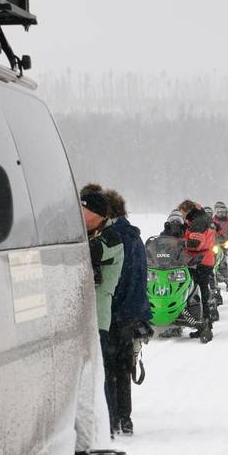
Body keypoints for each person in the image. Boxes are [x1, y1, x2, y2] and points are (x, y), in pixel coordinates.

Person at [97, 186, 151, 436]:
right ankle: (125, 418)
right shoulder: (135, 236)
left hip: (116, 310)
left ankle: (113, 419)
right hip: (132, 311)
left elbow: (120, 278)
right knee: (123, 365)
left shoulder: (114, 237)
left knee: (110, 368)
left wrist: (114, 306)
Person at [79, 190, 124, 418]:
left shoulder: (111, 238)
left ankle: (107, 423)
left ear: (97, 215)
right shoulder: (85, 234)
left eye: (84, 211)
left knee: (99, 376)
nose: (80, 215)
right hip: (75, 321)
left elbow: (90, 252)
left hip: (98, 320)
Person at [181, 201, 218, 341]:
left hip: (200, 261)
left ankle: (204, 324)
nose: (183, 216)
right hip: (203, 259)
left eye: (184, 213)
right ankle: (204, 322)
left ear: (188, 210)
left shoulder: (199, 222)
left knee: (197, 291)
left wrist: (180, 243)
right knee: (200, 290)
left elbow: (195, 243)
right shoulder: (202, 219)